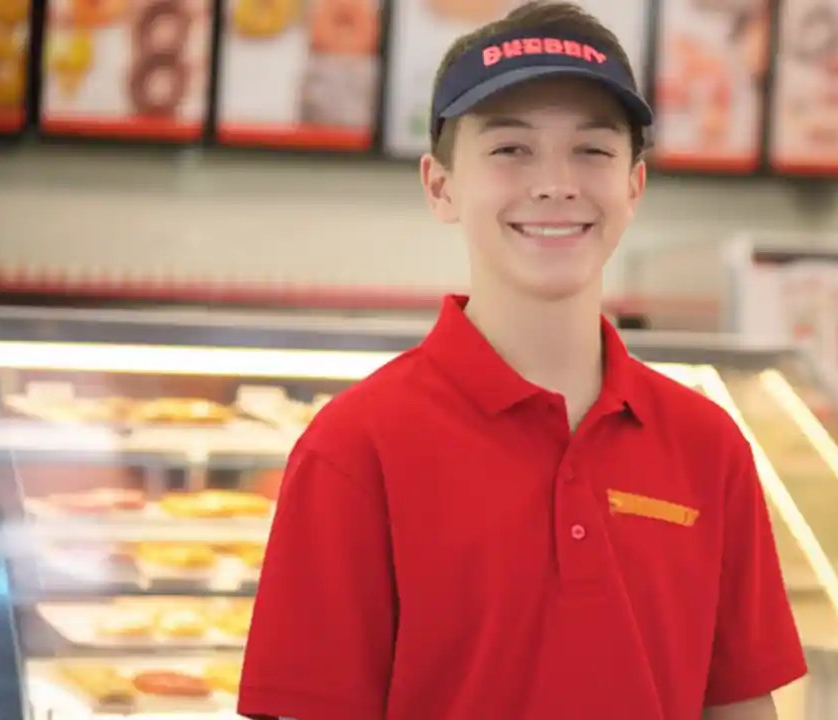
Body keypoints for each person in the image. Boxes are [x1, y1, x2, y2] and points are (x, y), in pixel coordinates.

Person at [236, 2, 806, 719]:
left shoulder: (708, 446)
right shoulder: (355, 449)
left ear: (634, 185)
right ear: (440, 186)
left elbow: (740, 705)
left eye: (593, 150)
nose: (556, 183)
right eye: (511, 149)